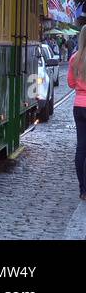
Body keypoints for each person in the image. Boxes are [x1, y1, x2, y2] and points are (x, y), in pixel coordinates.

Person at [68, 27, 86, 202]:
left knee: (81, 148)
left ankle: (83, 190)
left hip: (78, 106)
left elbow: (71, 84)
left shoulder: (75, 58)